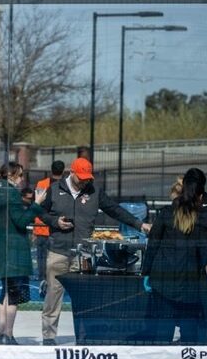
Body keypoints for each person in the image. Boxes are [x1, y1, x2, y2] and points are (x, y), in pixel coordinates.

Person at [37, 146, 150, 345]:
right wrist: (55, 223)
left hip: (84, 255)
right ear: (71, 173)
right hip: (58, 252)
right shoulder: (54, 189)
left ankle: (84, 337)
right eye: (81, 178)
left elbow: (115, 210)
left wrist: (139, 224)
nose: (84, 181)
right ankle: (48, 337)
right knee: (53, 296)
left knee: (84, 300)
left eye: (87, 178)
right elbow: (40, 212)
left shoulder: (94, 191)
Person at [141, 168, 207, 344]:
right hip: (189, 285)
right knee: (190, 334)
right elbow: (206, 252)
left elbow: (153, 244)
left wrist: (146, 272)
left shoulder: (166, 213)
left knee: (162, 332)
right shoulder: (202, 218)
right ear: (200, 192)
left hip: (163, 281)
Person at [0, 163, 47, 345]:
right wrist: (36, 205)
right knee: (13, 294)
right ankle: (8, 335)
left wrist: (2, 237)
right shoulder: (13, 195)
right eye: (19, 176)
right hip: (16, 251)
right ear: (11, 176)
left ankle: (1, 333)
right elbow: (21, 220)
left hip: (2, 250)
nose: (21, 180)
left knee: (5, 293)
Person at [32, 159, 66, 298]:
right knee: (58, 258)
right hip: (57, 228)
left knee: (41, 257)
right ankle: (55, 282)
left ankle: (42, 281)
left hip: (41, 227)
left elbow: (37, 204)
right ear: (63, 171)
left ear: (51, 170)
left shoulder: (42, 184)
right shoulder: (65, 186)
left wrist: (35, 227)